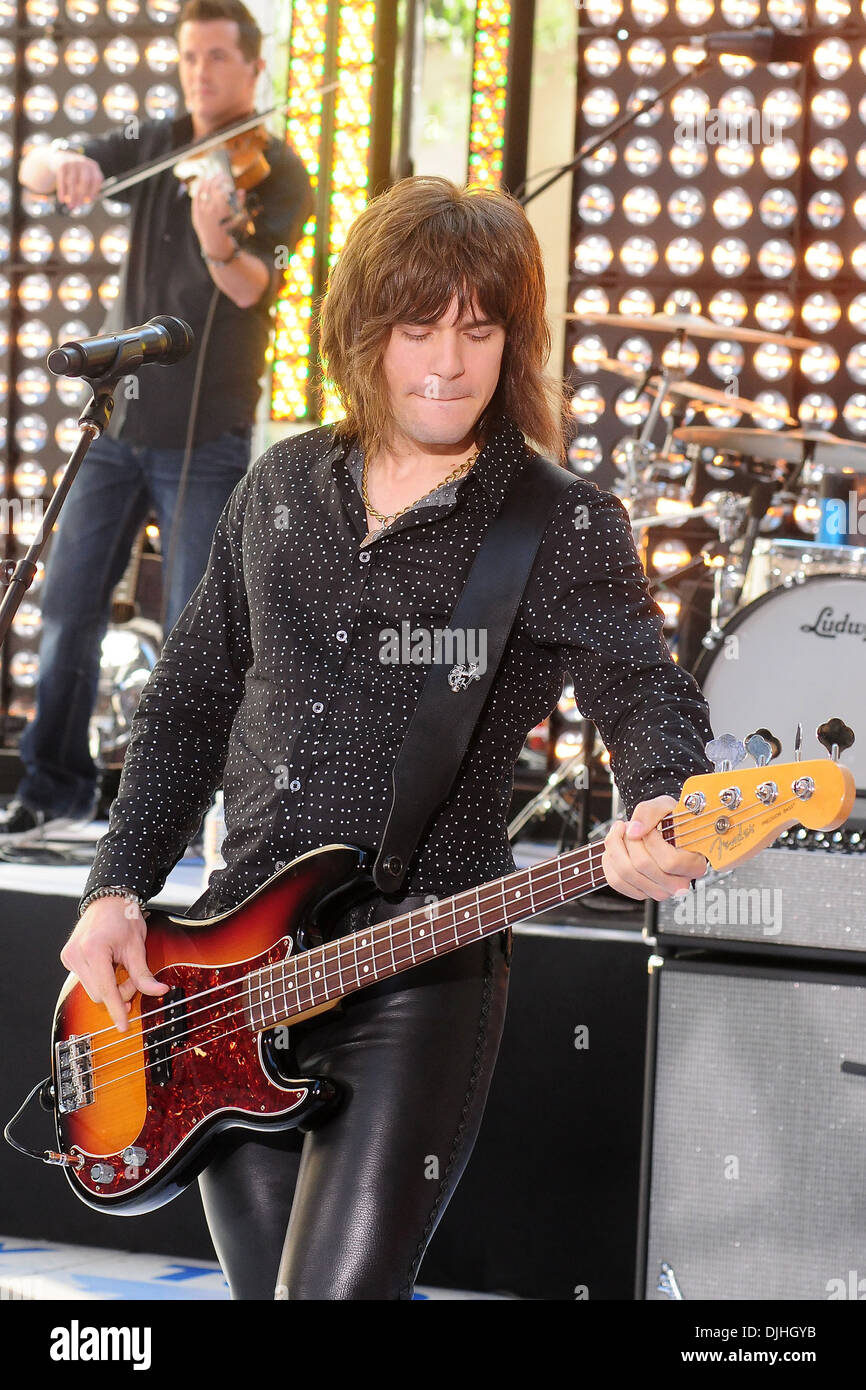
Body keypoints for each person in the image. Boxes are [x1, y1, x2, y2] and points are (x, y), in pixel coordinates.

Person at [59, 175, 716, 1300]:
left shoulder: (558, 522)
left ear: (514, 338)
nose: (449, 363)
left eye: (477, 328)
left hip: (414, 974)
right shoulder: (276, 490)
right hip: (221, 971)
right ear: (362, 333)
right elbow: (186, 705)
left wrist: (665, 795)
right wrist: (115, 890)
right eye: (417, 328)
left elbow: (647, 696)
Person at [0, 0, 312, 842]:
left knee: (192, 632)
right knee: (65, 605)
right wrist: (61, 165)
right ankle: (52, 788)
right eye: (189, 57)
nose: (200, 72)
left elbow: (255, 284)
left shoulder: (278, 170)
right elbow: (32, 167)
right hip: (116, 422)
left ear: (254, 67)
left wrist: (218, 239)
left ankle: (163, 811)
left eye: (217, 57)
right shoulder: (157, 138)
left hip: (206, 434)